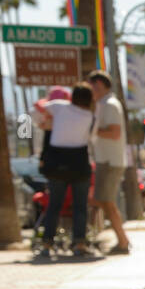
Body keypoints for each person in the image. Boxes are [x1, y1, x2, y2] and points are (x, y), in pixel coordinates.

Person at [37, 83, 95, 258]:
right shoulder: (90, 116)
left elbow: (38, 108)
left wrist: (48, 119)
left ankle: (47, 244)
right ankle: (79, 243)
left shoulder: (59, 107)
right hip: (79, 161)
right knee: (80, 206)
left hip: (57, 161)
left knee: (54, 205)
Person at [87, 70, 131, 255]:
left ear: (104, 86)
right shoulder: (101, 105)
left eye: (96, 86)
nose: (93, 90)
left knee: (106, 202)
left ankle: (122, 242)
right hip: (105, 160)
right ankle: (118, 240)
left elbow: (115, 133)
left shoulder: (110, 105)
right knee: (103, 201)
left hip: (110, 161)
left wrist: (91, 131)